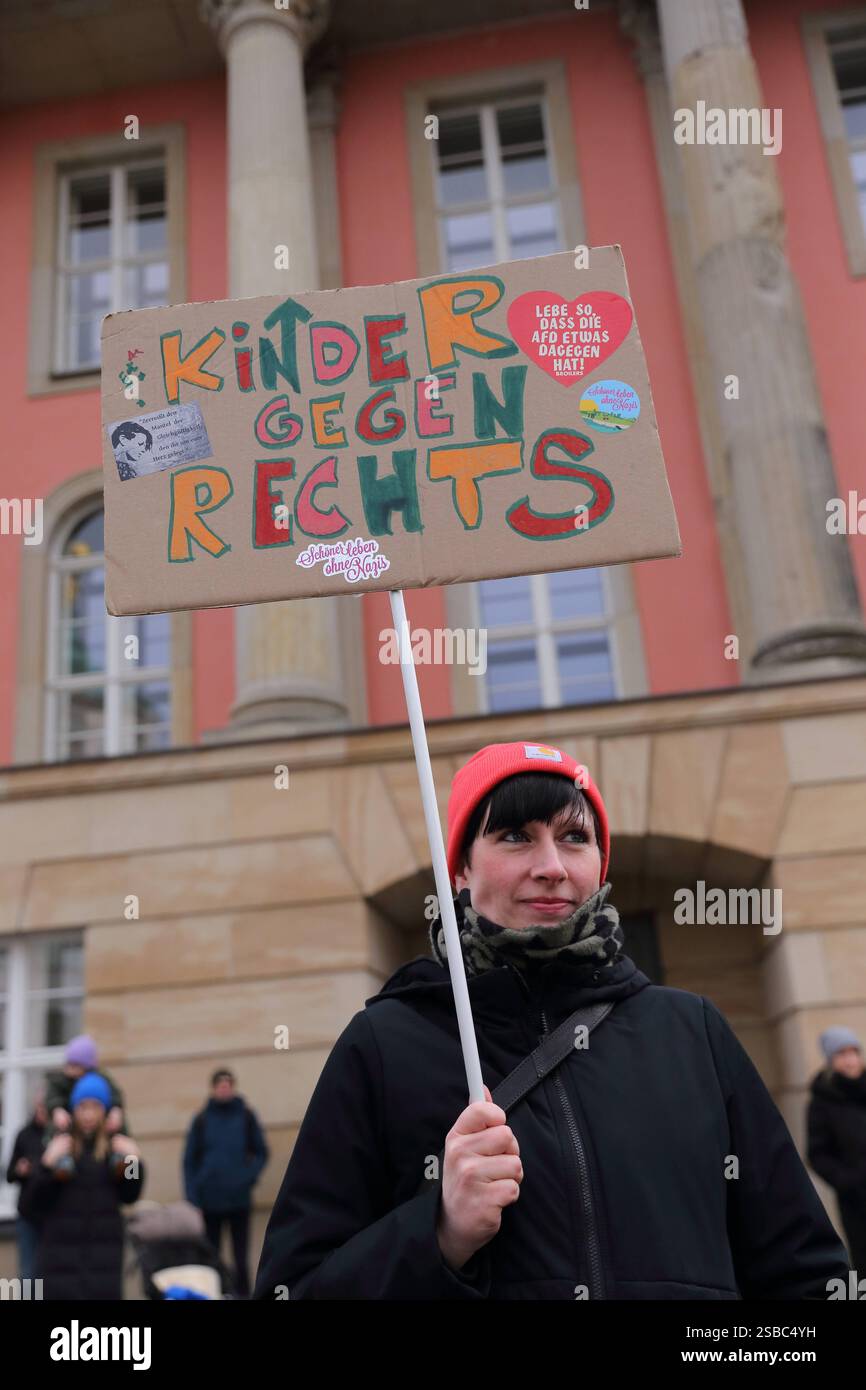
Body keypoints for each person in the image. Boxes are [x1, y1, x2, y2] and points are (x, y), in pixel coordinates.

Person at [253, 740, 850, 1300]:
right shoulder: (384, 1043)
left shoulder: (690, 1030)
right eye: (515, 836)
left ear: (599, 861)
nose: (551, 866)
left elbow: (804, 1276)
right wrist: (438, 1233)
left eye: (573, 838)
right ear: (458, 869)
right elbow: (294, 1286)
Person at [23, 1072, 144, 1300]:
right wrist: (47, 1165)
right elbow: (33, 1203)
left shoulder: (114, 1149)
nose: (88, 1114)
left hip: (103, 1263)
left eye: (95, 1106)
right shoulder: (58, 1147)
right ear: (73, 1110)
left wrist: (133, 1162)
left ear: (105, 1111)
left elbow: (129, 1194)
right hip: (59, 1262)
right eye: (82, 1107)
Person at [182, 1069, 269, 1298]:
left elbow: (261, 1152)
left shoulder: (246, 1116)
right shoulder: (201, 1120)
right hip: (210, 1201)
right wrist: (193, 1197)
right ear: (213, 1088)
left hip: (239, 1200)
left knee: (241, 1257)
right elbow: (189, 1161)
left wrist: (247, 1177)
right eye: (220, 1085)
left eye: (228, 1085)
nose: (224, 1089)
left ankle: (244, 1295)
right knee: (212, 1257)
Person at [807, 1026, 866, 1274]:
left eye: (854, 1052)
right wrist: (849, 1182)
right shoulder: (823, 1101)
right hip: (858, 1203)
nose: (850, 1059)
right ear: (831, 1060)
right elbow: (817, 1154)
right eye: (842, 1054)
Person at [44, 1034, 126, 1139]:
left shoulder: (100, 1080)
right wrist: (56, 1109)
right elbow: (52, 1096)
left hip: (101, 1137)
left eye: (75, 1065)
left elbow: (115, 1095)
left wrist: (116, 1110)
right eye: (69, 1064)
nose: (69, 1070)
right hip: (70, 1134)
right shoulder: (61, 1081)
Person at [4, 1092, 48, 1281]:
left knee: (52, 1270)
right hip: (28, 1214)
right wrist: (19, 1170)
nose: (42, 1112)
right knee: (29, 1273)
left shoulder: (60, 1135)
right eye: (40, 1107)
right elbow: (9, 1175)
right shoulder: (24, 1135)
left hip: (53, 1214)